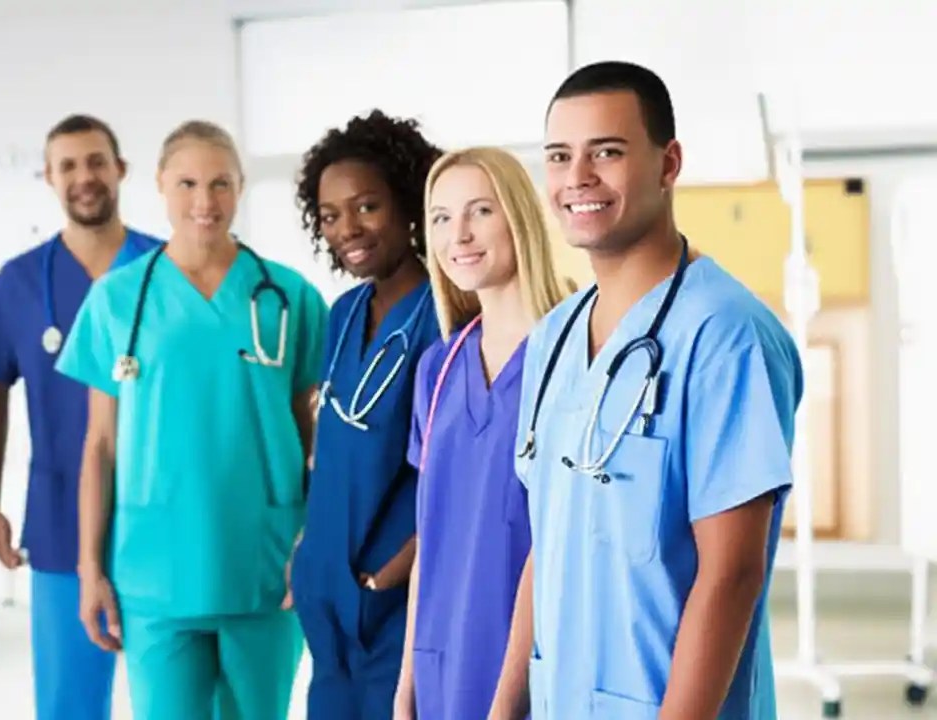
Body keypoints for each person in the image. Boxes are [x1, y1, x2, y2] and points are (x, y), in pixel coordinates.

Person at [490, 61, 802, 720]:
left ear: (668, 164)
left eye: (606, 151)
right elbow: (548, 547)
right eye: (559, 156)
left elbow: (731, 573)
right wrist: (506, 709)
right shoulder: (552, 342)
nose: (578, 177)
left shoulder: (725, 336)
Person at [55, 119, 329, 720]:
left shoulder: (290, 296)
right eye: (187, 184)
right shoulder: (116, 299)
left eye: (220, 184)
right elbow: (100, 446)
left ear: (242, 186)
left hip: (263, 562)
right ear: (159, 184)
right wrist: (89, 567)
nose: (204, 203)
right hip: (154, 568)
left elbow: (315, 442)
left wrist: (314, 543)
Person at [0, 114, 161, 719]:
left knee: (176, 701)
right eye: (68, 165)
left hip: (161, 519)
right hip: (60, 522)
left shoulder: (164, 269)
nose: (84, 176)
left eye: (96, 161)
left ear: (121, 169)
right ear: (48, 177)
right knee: (69, 706)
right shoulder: (19, 282)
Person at [392, 147, 571, 720]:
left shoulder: (573, 356)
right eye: (441, 217)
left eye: (480, 212)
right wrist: (406, 686)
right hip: (442, 657)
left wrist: (506, 703)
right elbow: (431, 540)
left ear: (518, 216)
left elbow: (556, 542)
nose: (459, 235)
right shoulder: (438, 369)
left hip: (535, 660)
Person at [287, 110, 443, 719]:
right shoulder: (343, 313)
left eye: (366, 206)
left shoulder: (447, 320)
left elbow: (452, 476)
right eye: (330, 215)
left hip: (393, 599)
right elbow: (336, 453)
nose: (347, 227)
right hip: (326, 595)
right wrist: (309, 554)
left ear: (408, 206)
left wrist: (392, 575)